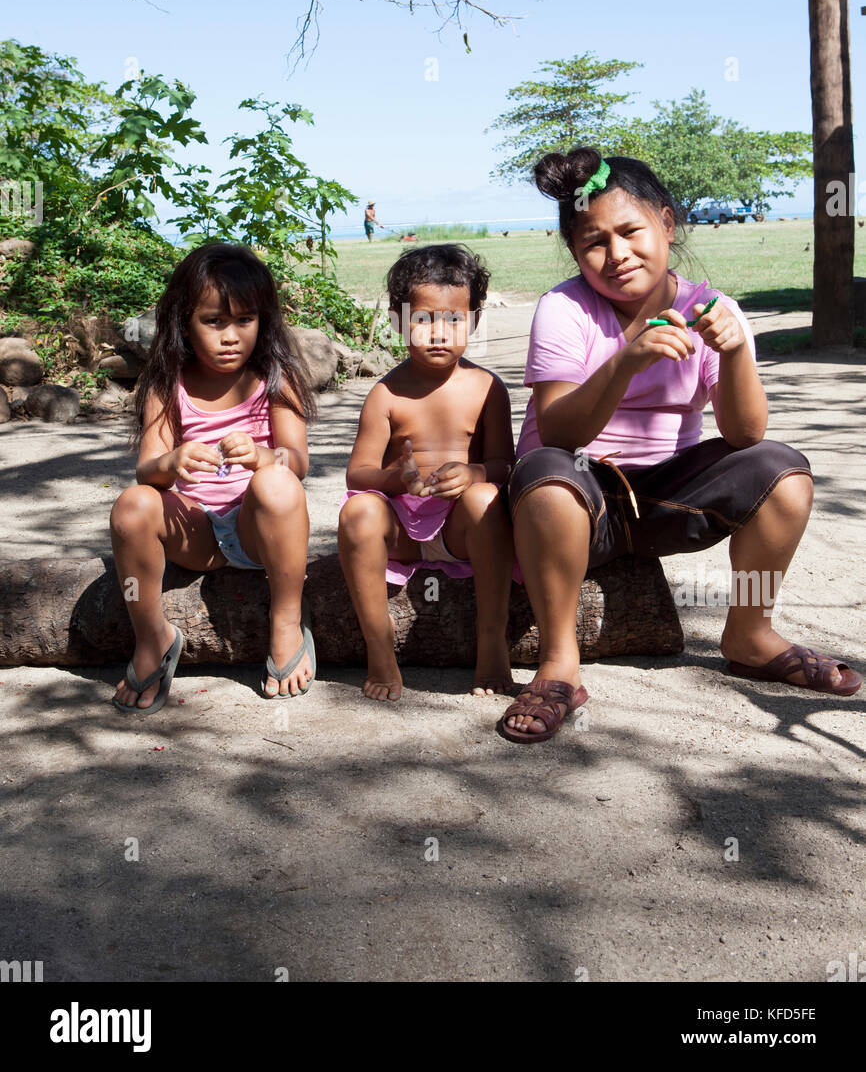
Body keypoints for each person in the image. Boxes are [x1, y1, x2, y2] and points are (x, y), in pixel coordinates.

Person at [500, 148, 861, 744]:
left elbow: (745, 436)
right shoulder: (563, 309)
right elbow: (559, 433)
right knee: (546, 471)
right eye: (594, 242)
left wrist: (737, 348)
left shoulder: (710, 309)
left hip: (667, 504)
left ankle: (750, 632)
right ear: (573, 252)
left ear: (666, 223)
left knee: (782, 472)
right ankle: (560, 661)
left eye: (630, 231)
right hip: (577, 503)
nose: (616, 255)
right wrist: (625, 360)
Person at [109, 242, 317, 713]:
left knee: (278, 481)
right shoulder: (167, 383)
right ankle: (152, 636)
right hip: (196, 533)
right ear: (184, 322)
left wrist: (264, 456)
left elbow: (298, 462)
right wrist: (171, 462)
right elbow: (147, 467)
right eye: (214, 321)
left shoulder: (276, 378)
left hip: (258, 530)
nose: (231, 336)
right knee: (131, 503)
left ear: (262, 322)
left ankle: (286, 618)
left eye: (244, 320)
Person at [338, 244, 516, 702]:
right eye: (423, 319)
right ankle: (380, 651)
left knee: (485, 498)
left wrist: (475, 472)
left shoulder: (487, 389)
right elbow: (357, 475)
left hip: (461, 528)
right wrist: (393, 478)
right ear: (399, 322)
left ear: (473, 320)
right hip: (402, 530)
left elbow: (505, 465)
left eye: (454, 319)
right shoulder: (386, 394)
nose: (440, 333)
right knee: (358, 513)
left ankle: (492, 645)